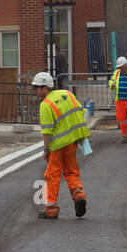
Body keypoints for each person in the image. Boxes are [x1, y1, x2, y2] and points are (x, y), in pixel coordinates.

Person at [32, 71, 89, 219]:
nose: (35, 90)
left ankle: (51, 209)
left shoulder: (45, 105)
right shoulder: (67, 94)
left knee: (52, 175)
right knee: (71, 172)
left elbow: (47, 131)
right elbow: (81, 112)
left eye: (36, 87)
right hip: (72, 142)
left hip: (57, 146)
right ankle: (79, 196)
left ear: (45, 88)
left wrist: (46, 150)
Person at [108, 57, 127, 143]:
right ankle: (126, 135)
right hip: (119, 100)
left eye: (121, 67)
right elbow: (111, 81)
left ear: (125, 65)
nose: (120, 68)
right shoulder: (116, 73)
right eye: (119, 67)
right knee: (121, 119)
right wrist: (112, 85)